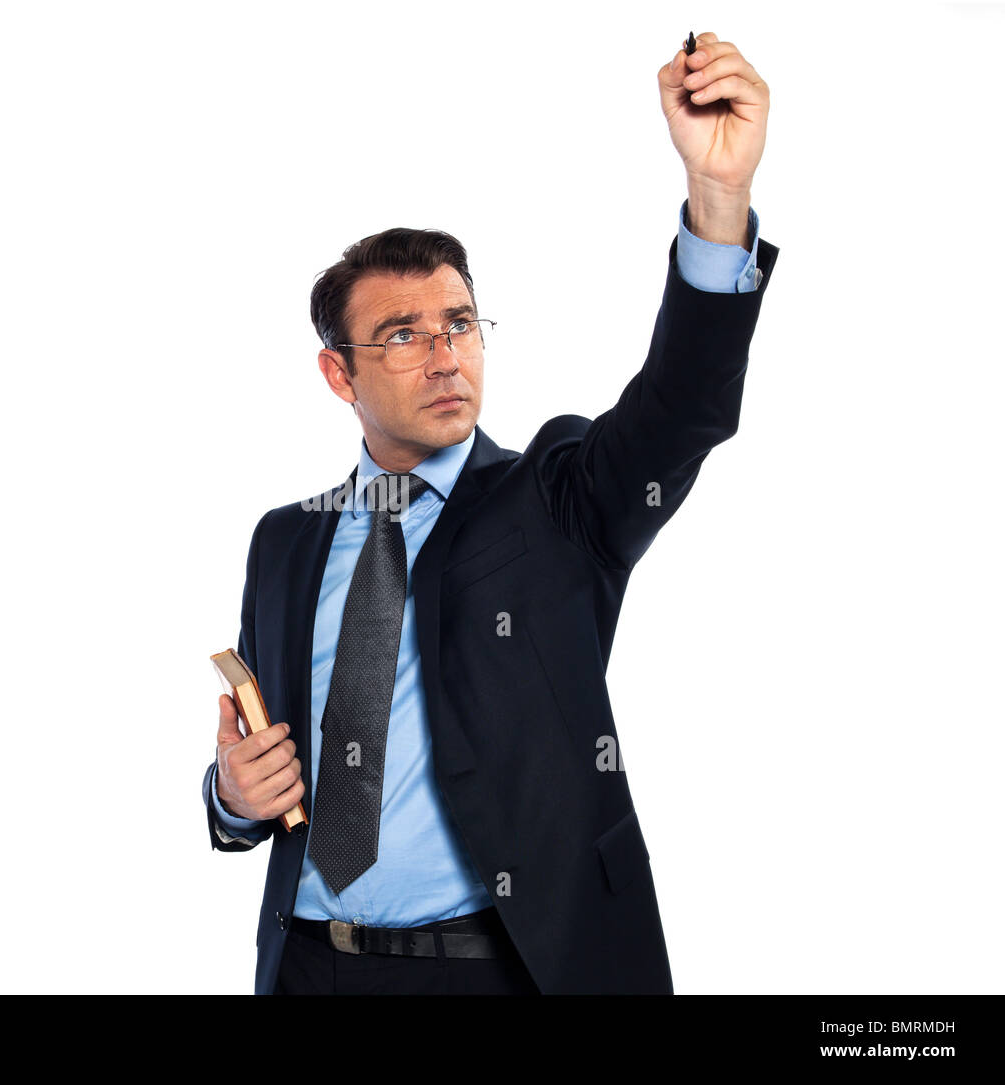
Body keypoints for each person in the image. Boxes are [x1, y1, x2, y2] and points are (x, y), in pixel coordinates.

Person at [201, 31, 777, 994]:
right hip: (308, 967)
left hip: (497, 970)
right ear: (336, 372)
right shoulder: (287, 541)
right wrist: (230, 796)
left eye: (459, 323)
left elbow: (684, 408)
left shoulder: (556, 496)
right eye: (401, 333)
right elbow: (257, 769)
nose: (444, 354)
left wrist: (719, 205)